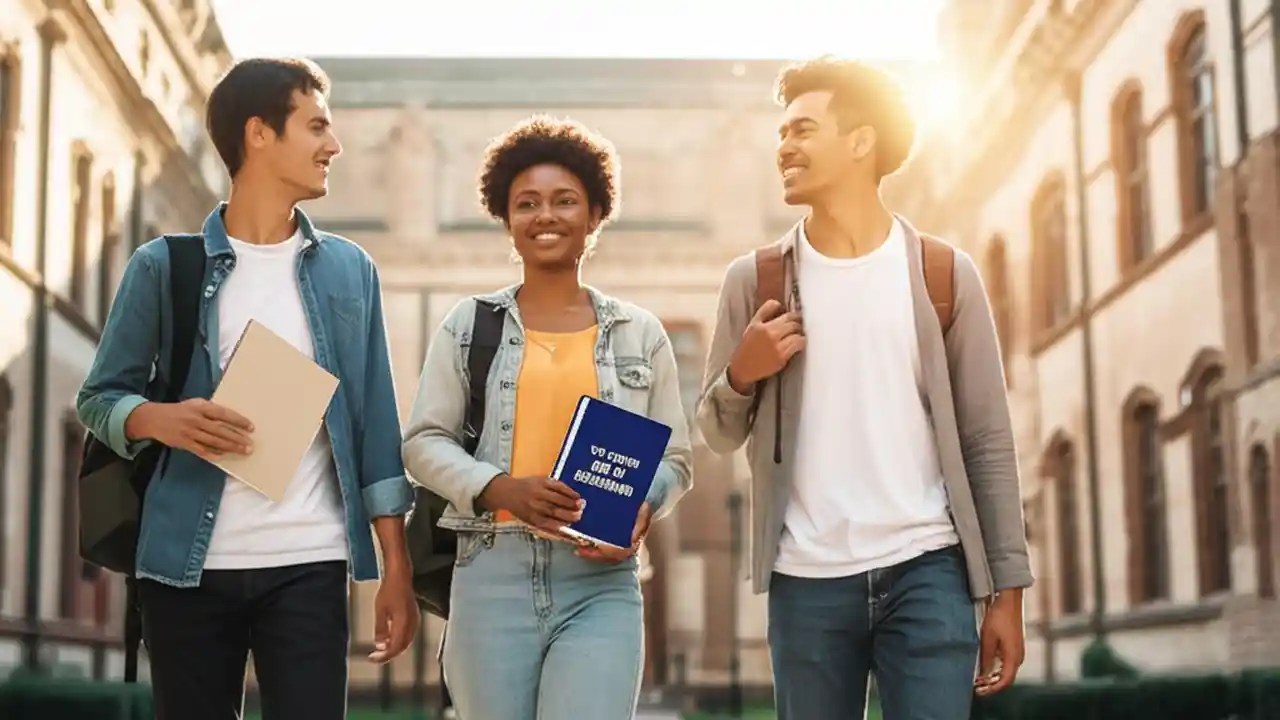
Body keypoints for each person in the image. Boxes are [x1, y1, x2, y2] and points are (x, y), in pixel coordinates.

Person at [76, 57, 418, 720]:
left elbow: (376, 422)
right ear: (259, 133)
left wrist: (394, 567)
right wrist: (159, 420)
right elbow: (99, 397)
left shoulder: (350, 271)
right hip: (184, 567)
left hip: (309, 562)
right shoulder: (164, 266)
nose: (334, 145)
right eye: (316, 125)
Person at [696, 56, 1033, 720]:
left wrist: (1008, 592)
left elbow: (987, 440)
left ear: (860, 141)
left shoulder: (943, 275)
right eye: (781, 133)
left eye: (802, 130)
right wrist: (743, 371)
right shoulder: (755, 281)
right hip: (806, 581)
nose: (783, 147)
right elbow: (716, 428)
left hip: (929, 570)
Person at [402, 115, 692, 720]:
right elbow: (424, 443)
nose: (546, 215)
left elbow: (676, 460)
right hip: (490, 572)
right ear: (507, 219)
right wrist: (500, 488)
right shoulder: (468, 326)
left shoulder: (641, 333)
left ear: (593, 215)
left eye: (565, 201)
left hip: (601, 584)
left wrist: (645, 503)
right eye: (526, 203)